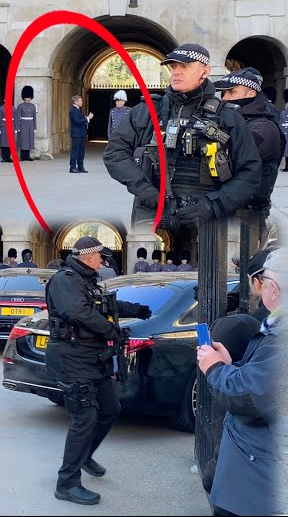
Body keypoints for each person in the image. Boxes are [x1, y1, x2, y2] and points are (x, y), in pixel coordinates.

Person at [103, 44, 260, 238]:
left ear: (205, 71)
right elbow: (114, 153)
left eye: (184, 66)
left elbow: (250, 172)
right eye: (174, 67)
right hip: (152, 212)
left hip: (205, 216)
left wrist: (214, 204)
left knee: (207, 266)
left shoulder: (228, 117)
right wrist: (143, 188)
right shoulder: (147, 111)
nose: (176, 72)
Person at [44, 236, 151, 506]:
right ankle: (66, 483)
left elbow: (104, 305)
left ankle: (85, 455)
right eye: (100, 256)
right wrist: (111, 330)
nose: (104, 260)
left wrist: (137, 310)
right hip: (73, 358)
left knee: (110, 409)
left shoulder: (87, 280)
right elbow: (78, 312)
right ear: (88, 256)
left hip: (94, 358)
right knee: (84, 418)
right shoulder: (65, 280)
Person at [198, 247, 283, 517]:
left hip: (256, 477)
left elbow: (249, 397)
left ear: (275, 289)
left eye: (266, 282)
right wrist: (229, 366)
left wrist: (213, 368)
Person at [216, 67, 286, 218]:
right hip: (228, 206)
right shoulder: (236, 118)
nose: (224, 98)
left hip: (248, 213)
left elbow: (233, 156)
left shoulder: (264, 127)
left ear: (251, 94)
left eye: (231, 92)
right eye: (223, 93)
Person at [69, 95, 91, 174]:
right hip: (76, 134)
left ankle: (80, 166)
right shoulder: (73, 110)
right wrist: (87, 118)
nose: (82, 102)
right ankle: (73, 167)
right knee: (75, 151)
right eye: (80, 101)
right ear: (76, 102)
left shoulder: (77, 110)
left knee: (81, 151)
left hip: (81, 133)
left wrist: (86, 118)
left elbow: (80, 119)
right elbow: (77, 121)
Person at [15, 86, 37, 161]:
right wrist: (17, 127)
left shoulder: (33, 106)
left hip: (30, 125)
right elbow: (18, 117)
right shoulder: (20, 106)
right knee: (23, 141)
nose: (28, 99)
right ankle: (22, 156)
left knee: (29, 140)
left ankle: (27, 155)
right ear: (24, 98)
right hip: (23, 124)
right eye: (26, 97)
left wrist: (35, 127)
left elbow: (34, 117)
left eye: (29, 97)